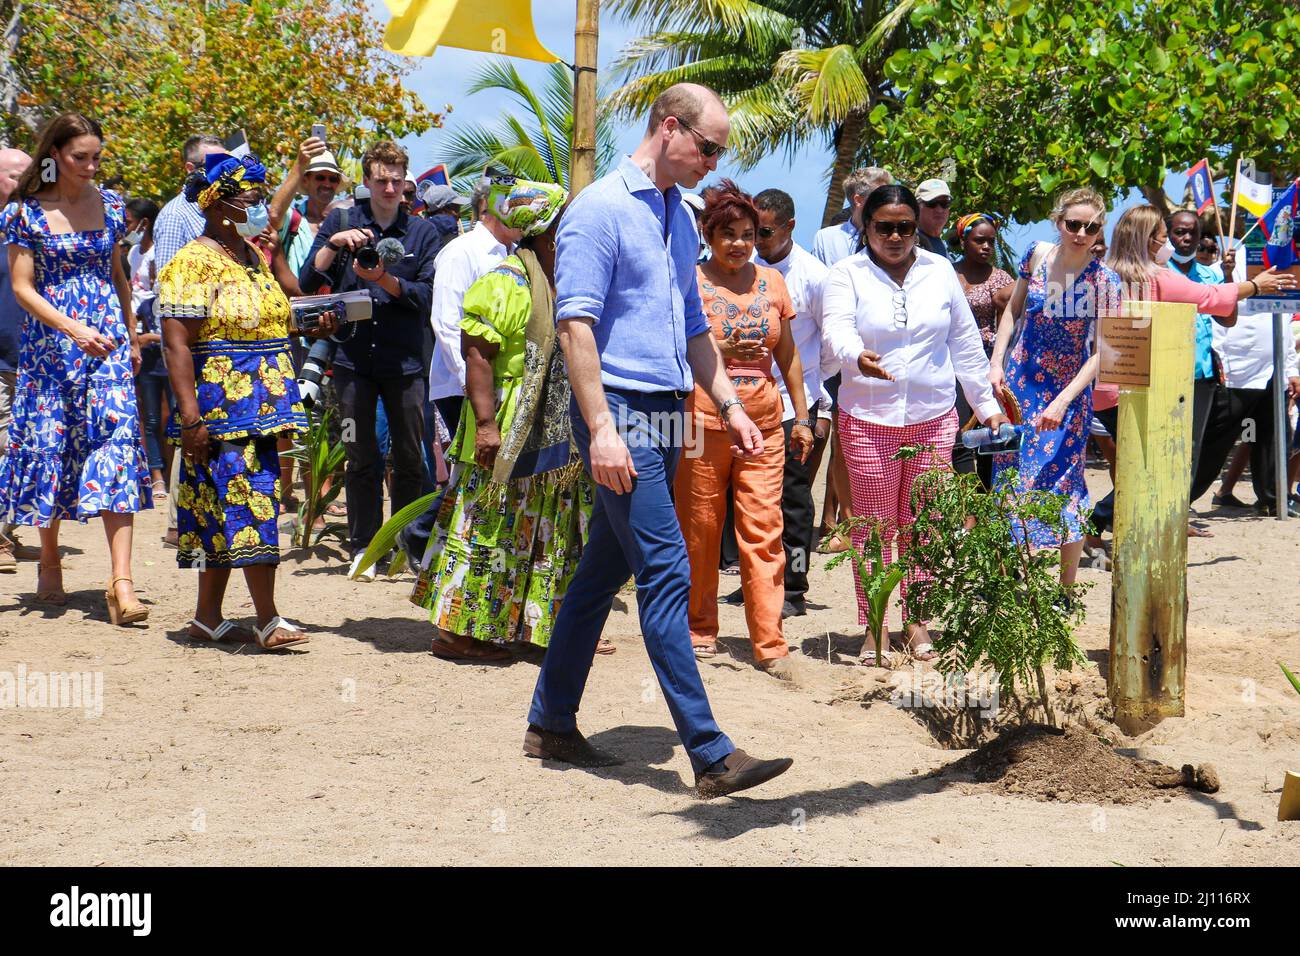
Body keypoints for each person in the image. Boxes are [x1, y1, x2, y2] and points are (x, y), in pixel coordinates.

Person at [525, 82, 793, 799]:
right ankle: (711, 753)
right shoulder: (598, 211)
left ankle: (550, 721)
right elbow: (575, 324)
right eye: (707, 147)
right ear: (669, 129)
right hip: (619, 412)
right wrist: (603, 427)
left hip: (670, 408)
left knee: (598, 573)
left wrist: (731, 405)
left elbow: (693, 328)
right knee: (669, 570)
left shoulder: (680, 215)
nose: (713, 161)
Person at [410, 179, 604, 660]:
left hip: (555, 427)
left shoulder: (565, 285)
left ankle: (540, 629)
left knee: (547, 529)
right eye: (566, 224)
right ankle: (458, 634)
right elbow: (476, 354)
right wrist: (488, 425)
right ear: (547, 232)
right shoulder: (506, 281)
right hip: (507, 423)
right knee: (487, 528)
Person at [823, 184, 1007, 663]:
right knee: (874, 527)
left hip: (933, 419)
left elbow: (966, 345)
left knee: (923, 526)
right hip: (867, 417)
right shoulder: (846, 273)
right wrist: (854, 356)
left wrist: (987, 408)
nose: (897, 235)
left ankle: (917, 623)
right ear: (866, 226)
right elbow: (837, 328)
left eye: (906, 226)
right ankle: (875, 627)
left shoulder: (939, 270)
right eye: (885, 226)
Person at [0, 112, 151, 623]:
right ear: (55, 156)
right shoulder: (25, 212)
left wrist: (130, 333)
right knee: (51, 443)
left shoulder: (110, 206)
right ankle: (48, 559)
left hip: (106, 340)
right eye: (79, 157)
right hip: (51, 342)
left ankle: (122, 583)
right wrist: (71, 328)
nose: (90, 167)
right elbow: (22, 287)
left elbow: (119, 275)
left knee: (117, 441)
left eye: (96, 158)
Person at [158, 150, 310, 650]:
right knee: (252, 505)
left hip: (262, 407)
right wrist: (190, 418)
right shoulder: (192, 262)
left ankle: (206, 617)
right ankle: (267, 620)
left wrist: (312, 314)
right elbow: (177, 342)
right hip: (222, 410)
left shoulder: (253, 257)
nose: (258, 203)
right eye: (250, 195)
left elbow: (284, 307)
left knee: (221, 511)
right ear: (219, 202)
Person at [674, 180, 811, 680]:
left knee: (764, 529)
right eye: (728, 233)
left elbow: (788, 354)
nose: (739, 243)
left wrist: (801, 415)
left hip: (766, 422)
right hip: (698, 421)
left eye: (749, 234)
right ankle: (698, 628)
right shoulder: (688, 280)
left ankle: (770, 641)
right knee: (700, 529)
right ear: (708, 234)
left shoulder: (774, 282)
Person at [1103, 207, 1296, 525]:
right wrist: (1256, 285)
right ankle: (1105, 522)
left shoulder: (1103, 275)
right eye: (1167, 236)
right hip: (1151, 383)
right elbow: (1210, 297)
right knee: (1155, 462)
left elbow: (1223, 310)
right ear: (1150, 240)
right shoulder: (1158, 276)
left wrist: (1231, 278)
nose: (1176, 241)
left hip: (1125, 382)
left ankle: (1142, 521)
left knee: (1148, 459)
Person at [299, 139, 439, 576]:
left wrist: (384, 279)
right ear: (367, 180)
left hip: (406, 364)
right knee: (361, 454)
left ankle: (407, 544)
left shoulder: (423, 232)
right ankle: (365, 545)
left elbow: (427, 297)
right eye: (382, 180)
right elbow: (307, 279)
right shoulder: (342, 221)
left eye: (397, 181)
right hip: (352, 362)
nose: (391, 189)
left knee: (410, 458)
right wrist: (334, 242)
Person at [989, 188, 1122, 589]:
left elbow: (1103, 352)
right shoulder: (1036, 254)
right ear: (1058, 221)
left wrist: (1065, 400)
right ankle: (1007, 580)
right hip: (1021, 383)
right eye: (1074, 224)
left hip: (1070, 390)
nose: (1081, 233)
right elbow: (1013, 311)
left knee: (1065, 479)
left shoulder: (1105, 281)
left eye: (1091, 226)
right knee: (1010, 476)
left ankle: (1065, 588)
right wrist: (996, 361)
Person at [753, 187, 834, 619]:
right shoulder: (743, 267)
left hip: (795, 405)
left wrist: (816, 398)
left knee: (793, 496)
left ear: (789, 227)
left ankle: (795, 586)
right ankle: (760, 580)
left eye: (763, 232)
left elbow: (831, 344)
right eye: (751, 230)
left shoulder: (815, 276)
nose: (756, 240)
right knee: (754, 497)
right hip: (749, 401)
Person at [155, 133, 226, 549]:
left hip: (216, 342)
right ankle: (178, 523)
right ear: (189, 168)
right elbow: (168, 292)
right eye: (211, 163)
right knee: (190, 419)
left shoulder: (218, 214)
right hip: (190, 341)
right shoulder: (176, 216)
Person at [951, 212, 1014, 488]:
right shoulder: (948, 274)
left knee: (990, 433)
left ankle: (985, 499)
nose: (987, 247)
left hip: (987, 362)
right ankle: (970, 499)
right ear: (964, 240)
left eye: (991, 241)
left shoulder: (1001, 279)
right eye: (979, 241)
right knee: (959, 433)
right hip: (951, 363)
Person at [124, 198, 170, 501]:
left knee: (171, 414)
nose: (126, 227)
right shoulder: (132, 253)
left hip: (162, 338)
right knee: (150, 415)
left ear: (145, 222)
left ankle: (170, 471)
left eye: (130, 221)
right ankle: (156, 476)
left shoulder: (162, 252)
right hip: (140, 338)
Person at [0, 146, 32, 573]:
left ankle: (7, 529)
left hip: (33, 356)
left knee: (21, 446)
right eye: (14, 176)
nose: (23, 184)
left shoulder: (31, 227)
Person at [811, 167, 891, 267]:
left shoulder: (896, 236)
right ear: (858, 200)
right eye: (881, 197)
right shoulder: (826, 239)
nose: (889, 202)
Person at [915, 179, 953, 259]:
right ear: (916, 207)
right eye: (931, 203)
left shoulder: (943, 245)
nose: (939, 210)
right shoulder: (910, 243)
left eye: (944, 203)